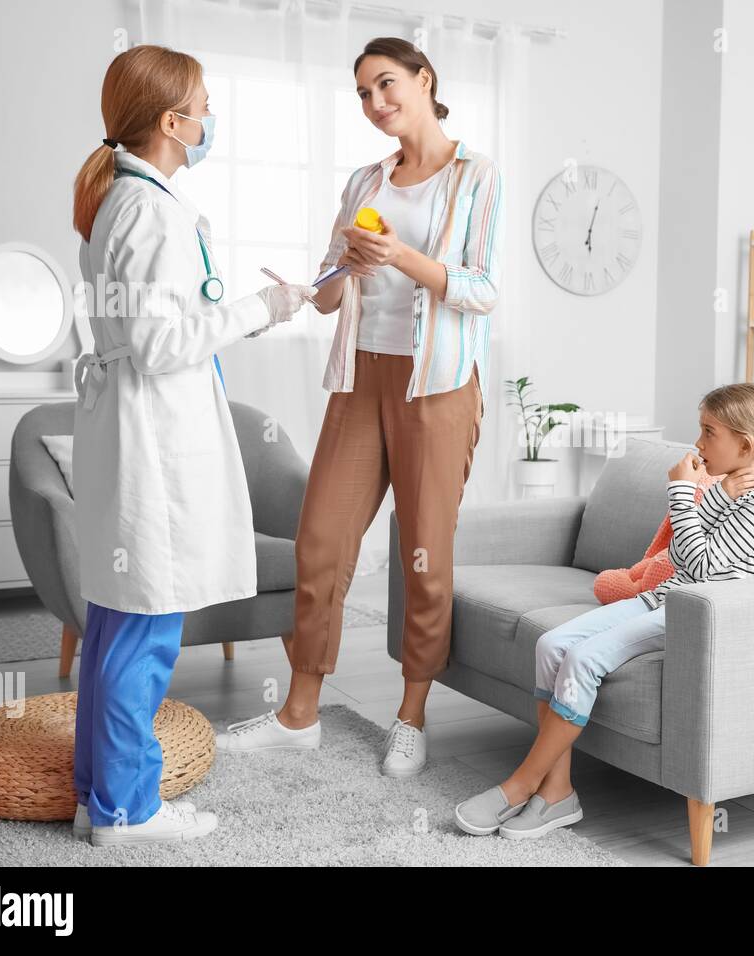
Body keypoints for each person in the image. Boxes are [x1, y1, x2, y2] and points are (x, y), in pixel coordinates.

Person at [217, 37, 504, 780]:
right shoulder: (364, 179)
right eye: (364, 95)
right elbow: (329, 292)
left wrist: (403, 258)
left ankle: (411, 716)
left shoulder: (477, 177)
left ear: (423, 79)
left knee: (424, 557)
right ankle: (300, 713)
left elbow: (481, 290)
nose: (377, 105)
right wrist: (334, 268)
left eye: (386, 86)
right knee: (321, 544)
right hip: (359, 379)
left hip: (436, 385)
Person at [71, 44, 315, 846]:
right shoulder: (147, 210)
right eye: (204, 107)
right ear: (172, 123)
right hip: (150, 438)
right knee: (143, 627)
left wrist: (269, 304)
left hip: (137, 429)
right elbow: (160, 342)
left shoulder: (136, 201)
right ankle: (126, 811)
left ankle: (100, 794)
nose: (212, 119)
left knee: (120, 620)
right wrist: (263, 307)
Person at [454, 383, 754, 839]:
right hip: (666, 599)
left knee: (583, 658)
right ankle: (557, 794)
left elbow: (698, 564)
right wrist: (709, 494)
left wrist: (682, 489)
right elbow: (681, 555)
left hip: (698, 616)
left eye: (708, 432)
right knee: (551, 644)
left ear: (746, 444)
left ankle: (520, 785)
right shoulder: (733, 488)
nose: (697, 443)